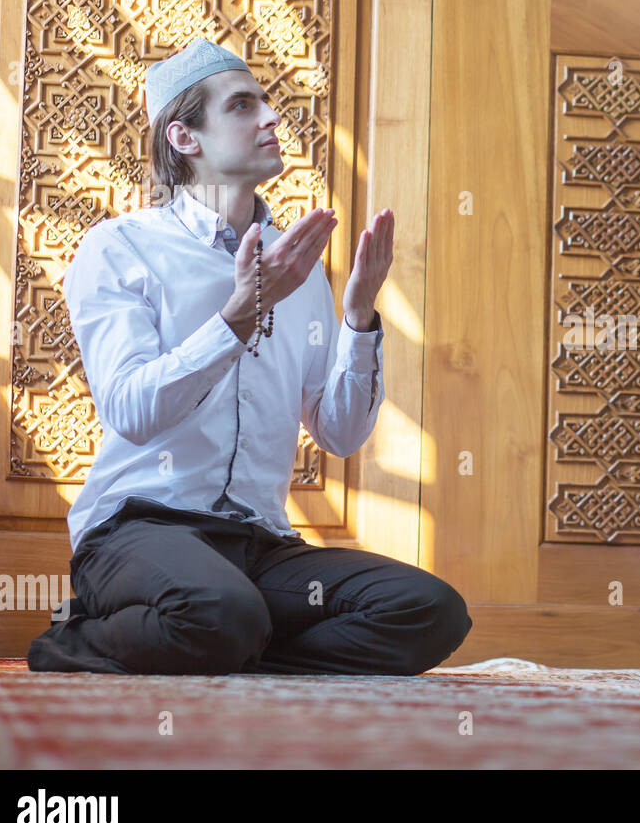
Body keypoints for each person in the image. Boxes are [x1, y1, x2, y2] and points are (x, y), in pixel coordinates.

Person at [27, 38, 472, 675]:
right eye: (242, 105)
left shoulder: (299, 269)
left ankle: (238, 642)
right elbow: (131, 409)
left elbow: (340, 434)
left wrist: (360, 318)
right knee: (219, 612)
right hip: (138, 529)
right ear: (184, 137)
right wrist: (243, 310)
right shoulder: (120, 248)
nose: (271, 117)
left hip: (261, 545)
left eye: (266, 101)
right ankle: (76, 640)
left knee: (429, 610)